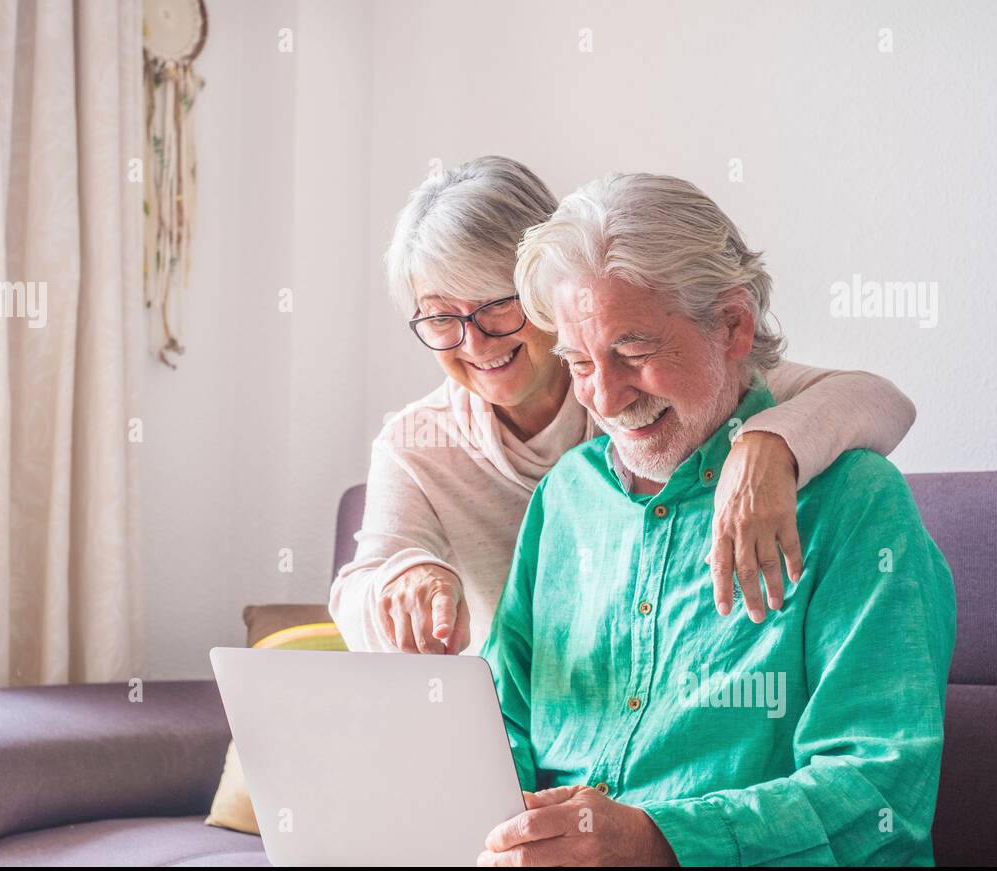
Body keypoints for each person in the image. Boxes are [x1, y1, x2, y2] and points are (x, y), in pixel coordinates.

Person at [478, 173, 955, 866]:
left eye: (633, 354)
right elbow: (498, 729)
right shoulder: (567, 498)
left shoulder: (856, 503)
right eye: (579, 363)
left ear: (733, 325)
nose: (605, 398)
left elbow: (878, 793)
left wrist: (656, 843)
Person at [330, 156, 917, 656]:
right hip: (534, 722)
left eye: (496, 307)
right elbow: (359, 586)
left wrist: (769, 444)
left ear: (551, 294)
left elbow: (878, 399)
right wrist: (404, 581)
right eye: (440, 317)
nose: (475, 343)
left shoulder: (658, 391)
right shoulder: (419, 444)